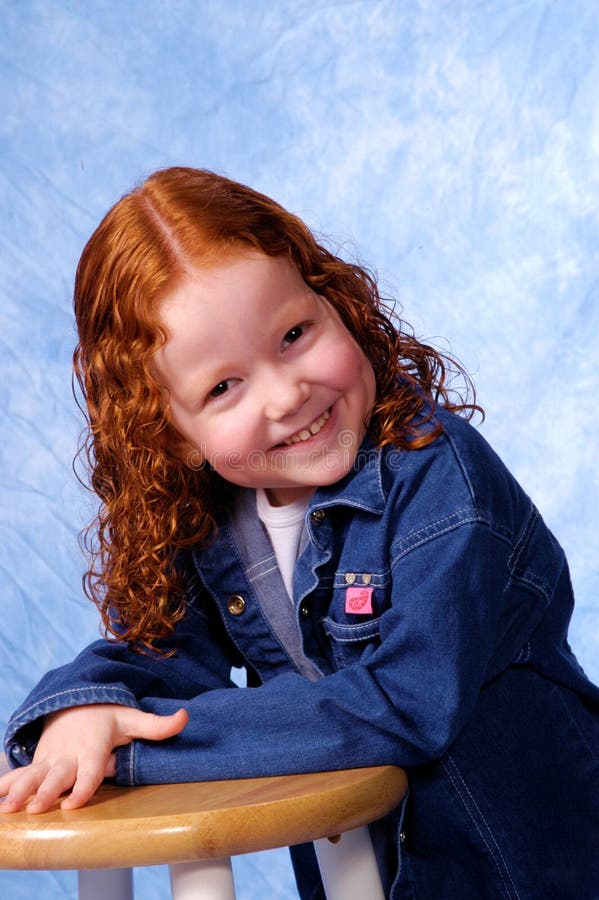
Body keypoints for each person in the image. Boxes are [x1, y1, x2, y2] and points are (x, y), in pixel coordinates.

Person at [1, 167, 598, 899]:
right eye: (223, 388)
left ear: (336, 304)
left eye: (293, 335)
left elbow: (412, 702)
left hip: (522, 866)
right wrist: (82, 711)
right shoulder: (218, 517)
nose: (287, 396)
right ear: (172, 435)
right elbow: (160, 654)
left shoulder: (437, 478)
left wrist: (138, 749)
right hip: (359, 867)